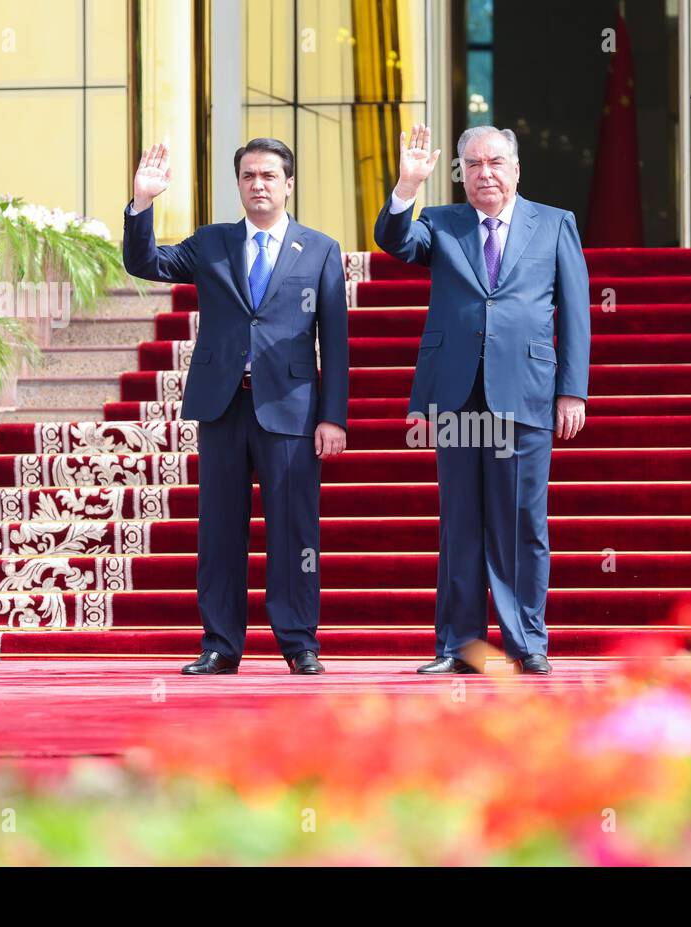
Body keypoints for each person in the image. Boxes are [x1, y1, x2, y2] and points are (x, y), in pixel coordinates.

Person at [123, 138, 349, 676]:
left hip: (291, 409)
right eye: (249, 176)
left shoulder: (318, 248)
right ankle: (221, 643)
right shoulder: (213, 243)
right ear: (239, 184)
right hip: (223, 406)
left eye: (269, 176)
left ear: (289, 184)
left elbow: (334, 340)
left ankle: (299, 642)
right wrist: (142, 204)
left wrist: (332, 416)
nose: (259, 184)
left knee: (295, 531)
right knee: (219, 529)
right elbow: (145, 263)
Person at [374, 124, 590, 676]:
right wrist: (406, 187)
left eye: (495, 163)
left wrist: (571, 390)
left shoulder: (555, 223)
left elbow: (576, 313)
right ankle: (460, 646)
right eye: (472, 164)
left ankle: (526, 643)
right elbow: (393, 243)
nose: (484, 173)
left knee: (522, 520)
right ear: (461, 173)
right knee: (461, 521)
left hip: (525, 392)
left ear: (516, 169)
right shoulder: (440, 223)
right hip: (457, 395)